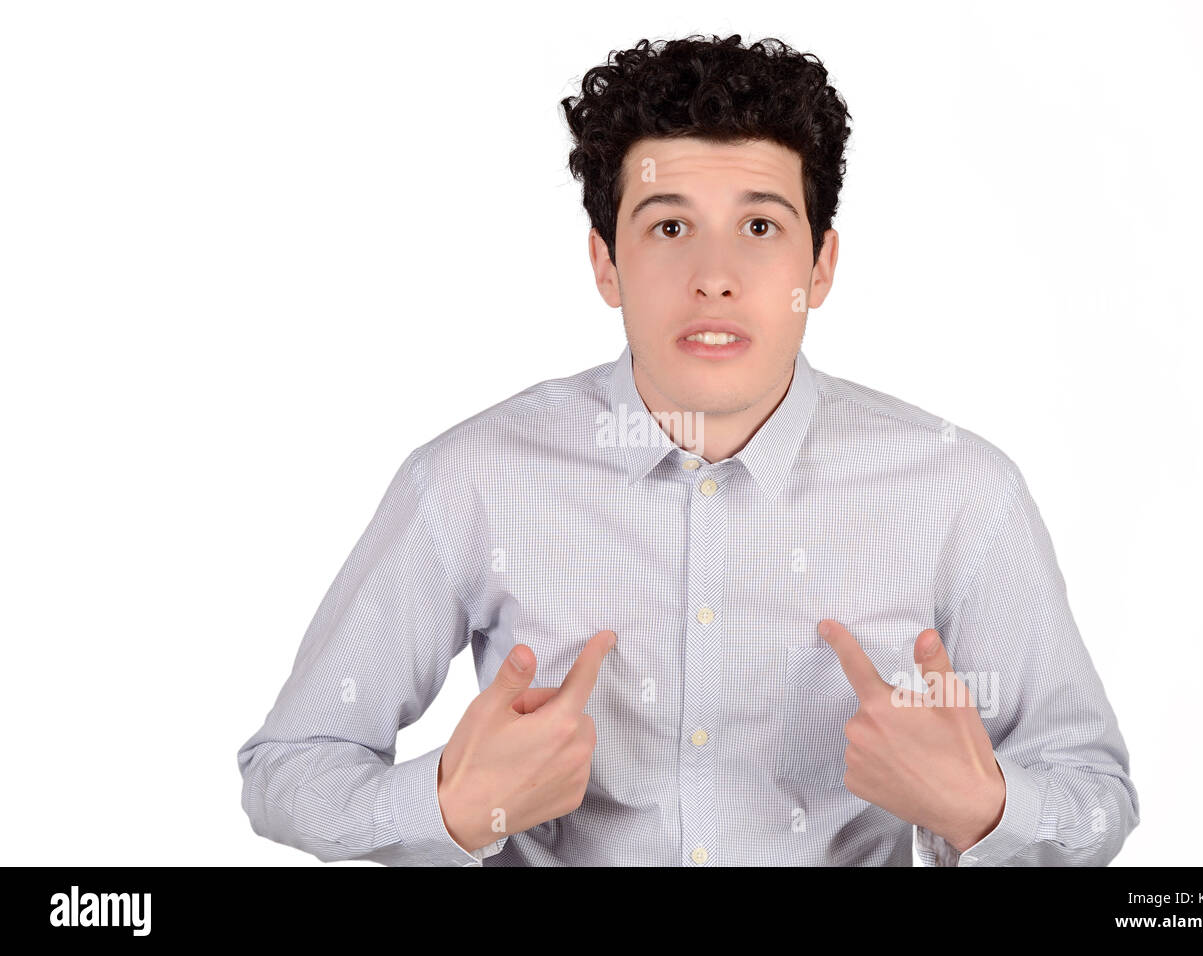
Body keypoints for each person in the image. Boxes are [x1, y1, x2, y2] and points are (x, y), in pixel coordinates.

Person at [237, 33, 1139, 866]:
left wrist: (980, 808)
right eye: (669, 226)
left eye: (760, 227)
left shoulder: (961, 494)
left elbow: (1096, 796)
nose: (714, 274)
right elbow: (289, 768)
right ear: (606, 262)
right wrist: (450, 807)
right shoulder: (470, 481)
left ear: (819, 266)